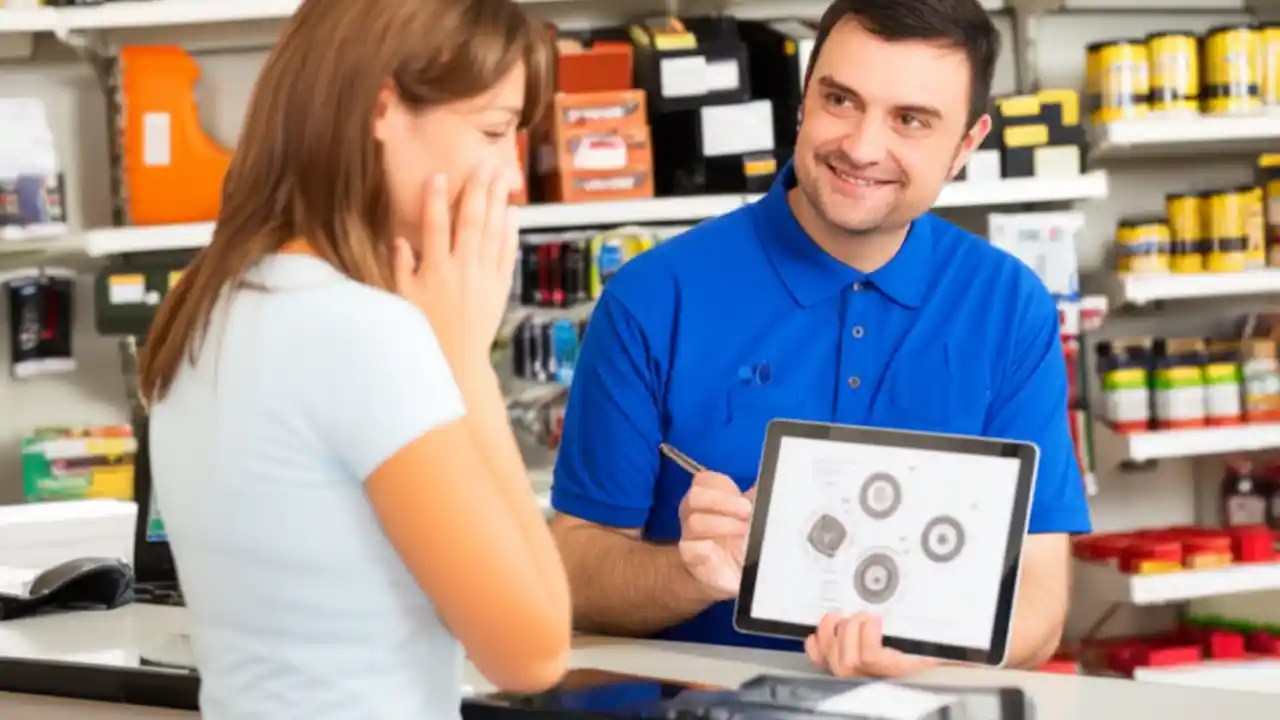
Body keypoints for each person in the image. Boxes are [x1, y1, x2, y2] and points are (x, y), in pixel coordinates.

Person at [550, 0, 1090, 679]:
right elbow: (573, 570)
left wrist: (926, 655)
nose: (862, 147)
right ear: (805, 98)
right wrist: (693, 574)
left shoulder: (1010, 308)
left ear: (966, 145)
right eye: (841, 100)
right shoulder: (654, 298)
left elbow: (1039, 596)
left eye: (911, 120)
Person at [139, 1, 571, 716]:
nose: (511, 178)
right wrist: (463, 363)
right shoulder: (362, 335)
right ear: (382, 109)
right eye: (494, 131)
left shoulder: (213, 306)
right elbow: (533, 651)